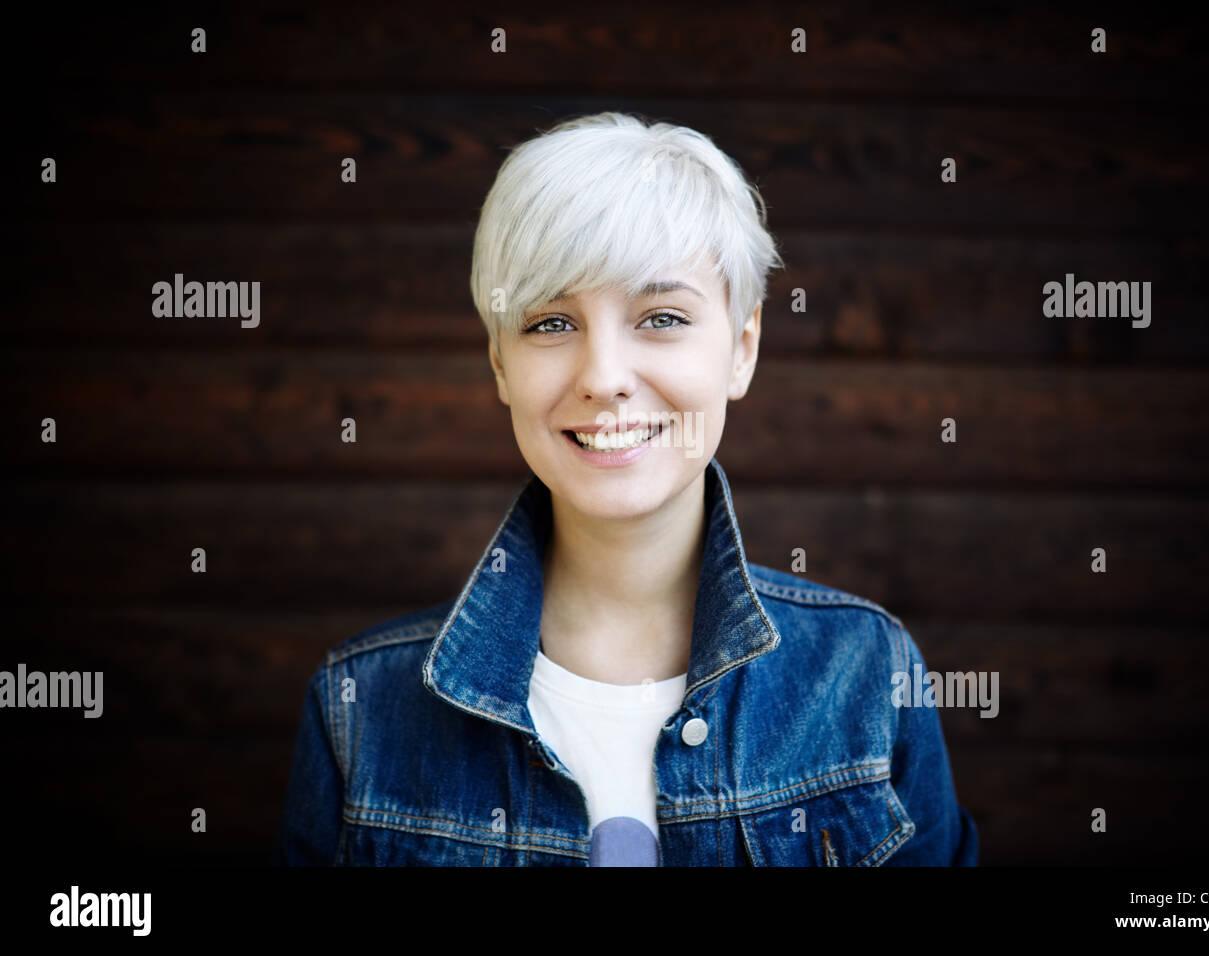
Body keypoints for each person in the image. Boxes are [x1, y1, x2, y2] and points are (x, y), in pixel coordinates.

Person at [272, 111, 978, 866]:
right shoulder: (360, 709)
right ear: (500, 364)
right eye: (550, 324)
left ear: (742, 350)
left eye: (662, 317)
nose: (604, 377)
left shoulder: (867, 675)